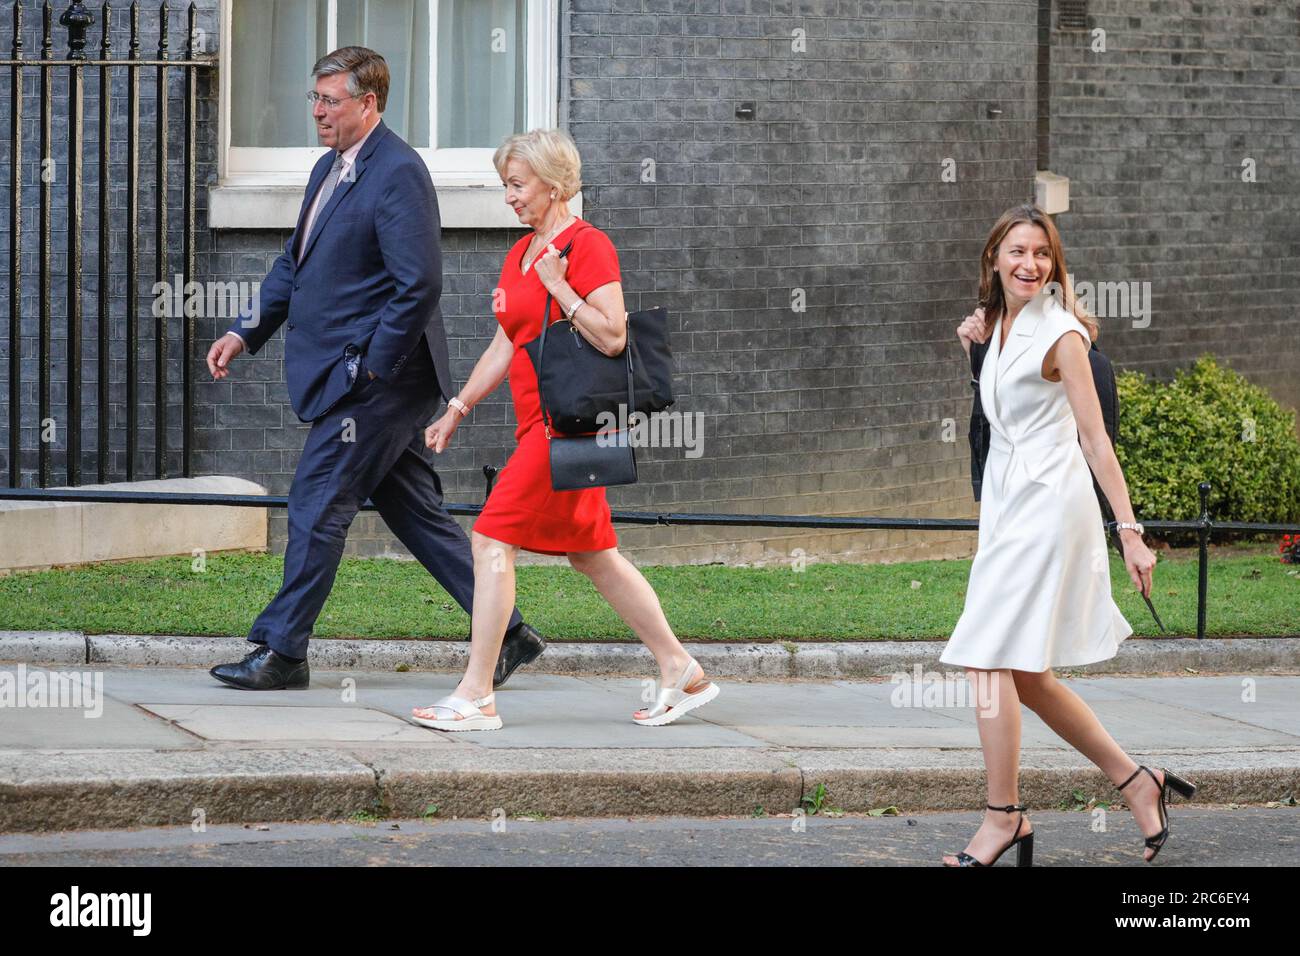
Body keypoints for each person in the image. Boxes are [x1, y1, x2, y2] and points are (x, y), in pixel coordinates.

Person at [204, 47, 544, 691]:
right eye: (314, 99)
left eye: (330, 100)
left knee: (316, 501)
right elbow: (293, 265)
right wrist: (243, 331)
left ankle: (283, 652)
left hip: (381, 383)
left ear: (369, 103)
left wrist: (369, 370)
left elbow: (419, 285)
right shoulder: (328, 170)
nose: (318, 112)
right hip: (360, 378)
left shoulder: (398, 171)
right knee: (411, 507)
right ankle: (511, 633)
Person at [410, 129, 717, 731]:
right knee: (594, 556)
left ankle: (476, 694)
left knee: (489, 540)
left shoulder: (587, 246)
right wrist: (458, 407)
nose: (509, 198)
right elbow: (506, 343)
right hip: (540, 426)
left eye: (518, 186)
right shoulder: (521, 252)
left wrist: (560, 286)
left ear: (554, 185)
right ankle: (680, 669)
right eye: (505, 186)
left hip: (567, 432)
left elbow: (613, 334)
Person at [940, 203, 1196, 866]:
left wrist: (1131, 533)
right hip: (1006, 510)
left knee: (988, 659)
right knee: (1025, 674)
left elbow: (1095, 440)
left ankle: (1003, 816)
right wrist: (975, 344)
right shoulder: (996, 326)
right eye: (1018, 251)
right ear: (994, 258)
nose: (1030, 264)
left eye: (1042, 254)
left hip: (1049, 510)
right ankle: (1138, 781)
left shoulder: (1061, 335)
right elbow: (998, 409)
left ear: (1055, 265)